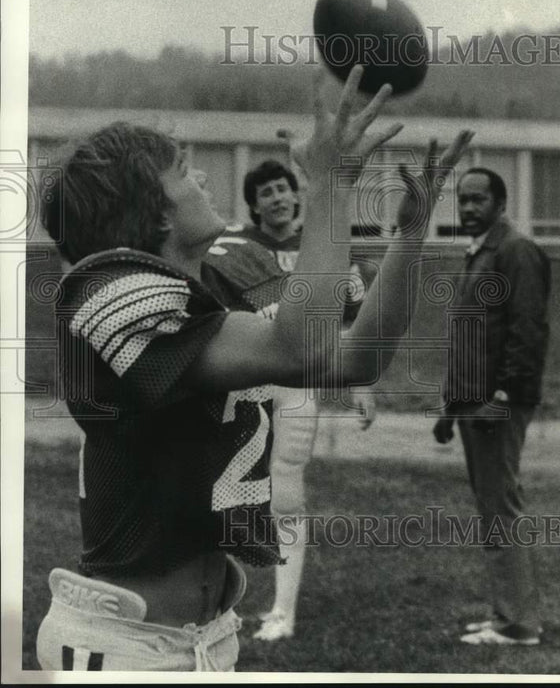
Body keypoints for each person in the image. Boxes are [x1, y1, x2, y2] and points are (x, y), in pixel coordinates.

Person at [34, 62, 473, 672]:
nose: (204, 178)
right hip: (125, 644)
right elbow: (301, 348)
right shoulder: (104, 293)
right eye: (185, 172)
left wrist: (411, 236)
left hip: (204, 633)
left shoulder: (212, 287)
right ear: (156, 211)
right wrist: (332, 184)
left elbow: (355, 358)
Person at [203, 159, 375, 642]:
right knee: (222, 491)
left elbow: (352, 321)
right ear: (253, 203)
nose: (276, 198)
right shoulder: (232, 247)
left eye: (282, 188)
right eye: (266, 192)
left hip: (298, 384)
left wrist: (360, 384)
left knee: (288, 495)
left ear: (296, 195)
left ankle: (283, 611)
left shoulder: (321, 247)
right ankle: (216, 602)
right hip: (245, 382)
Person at [433, 167, 551, 646]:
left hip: (494, 406)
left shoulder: (516, 251)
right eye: (462, 200)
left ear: (500, 203)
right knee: (492, 509)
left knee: (501, 508)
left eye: (478, 199)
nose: (467, 208)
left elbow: (528, 332)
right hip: (470, 404)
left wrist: (500, 398)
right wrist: (450, 407)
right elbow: (471, 338)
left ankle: (519, 623)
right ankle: (505, 614)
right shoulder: (481, 252)